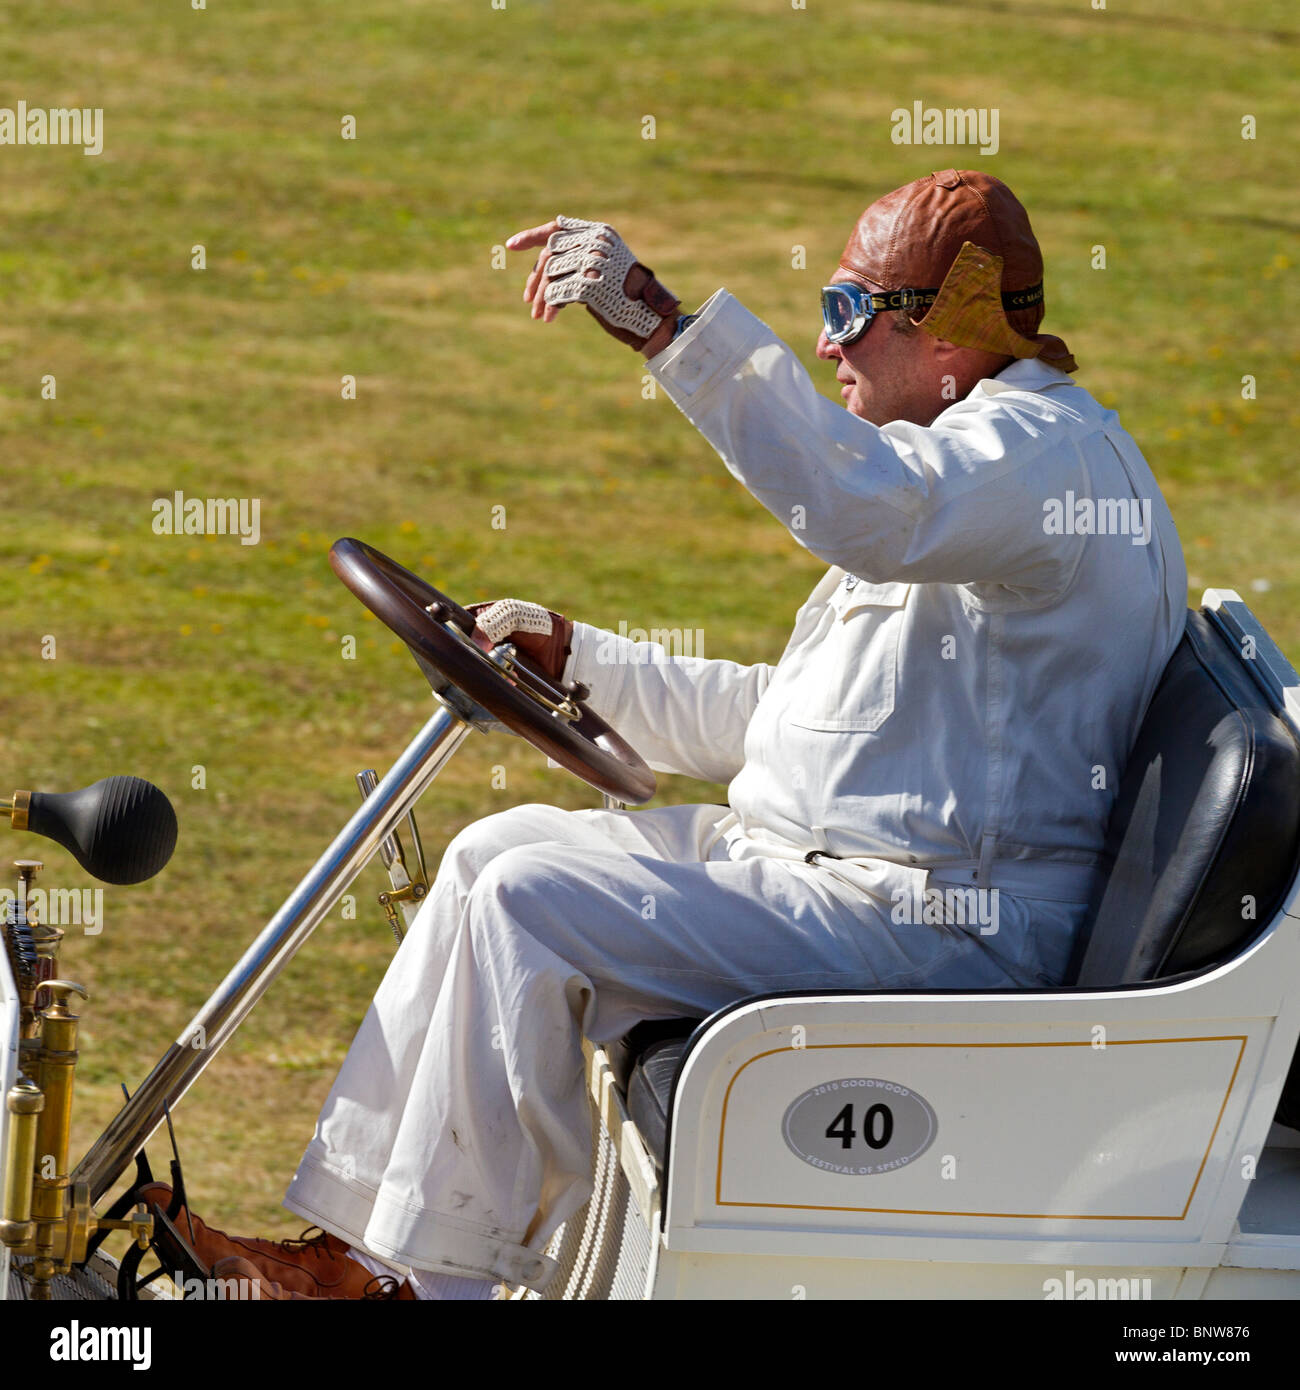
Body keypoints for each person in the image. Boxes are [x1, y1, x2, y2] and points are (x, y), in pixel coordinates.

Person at [151, 170, 1187, 1300]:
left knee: (526, 904)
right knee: (491, 855)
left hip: (948, 924)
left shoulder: (1035, 458)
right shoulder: (970, 457)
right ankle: (362, 1265)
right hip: (857, 877)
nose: (829, 347)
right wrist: (584, 661)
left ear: (943, 322)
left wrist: (666, 327)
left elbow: (861, 506)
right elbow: (794, 721)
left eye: (847, 312)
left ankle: (427, 1290)